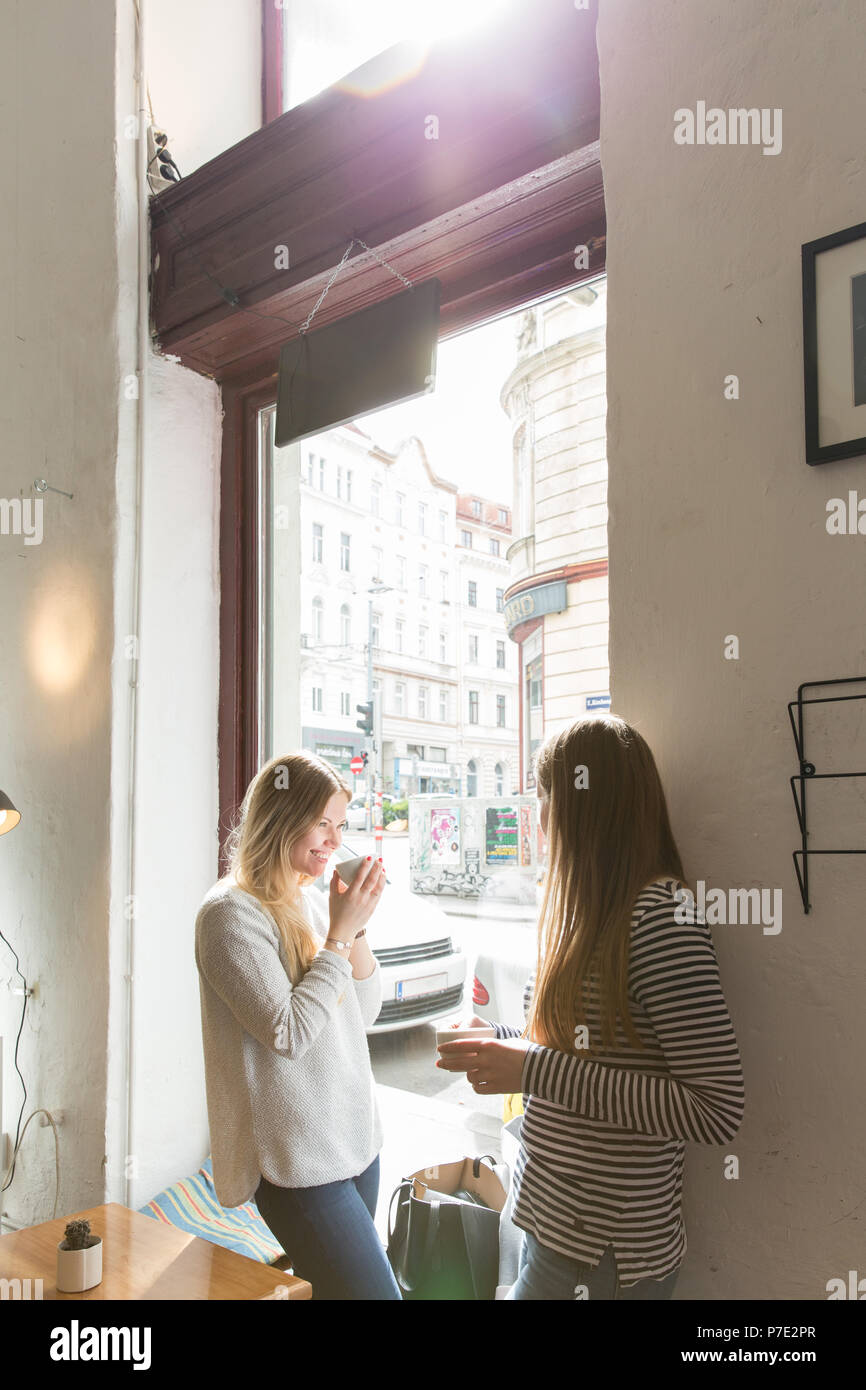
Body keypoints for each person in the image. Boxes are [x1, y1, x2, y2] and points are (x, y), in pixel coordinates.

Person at [438, 716, 745, 1300]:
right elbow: (581, 1044)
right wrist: (497, 1036)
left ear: (586, 805)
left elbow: (716, 1109)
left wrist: (530, 1068)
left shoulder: (660, 917)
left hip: (604, 1257)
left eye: (546, 796)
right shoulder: (589, 911)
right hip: (554, 1231)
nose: (541, 817)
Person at [194, 752, 401, 1300]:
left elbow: (367, 1009)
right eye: (321, 823)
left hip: (355, 1139)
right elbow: (287, 1034)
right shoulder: (229, 915)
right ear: (281, 819)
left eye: (340, 825)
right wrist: (338, 934)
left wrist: (354, 929)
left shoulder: (310, 902)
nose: (334, 840)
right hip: (297, 1161)